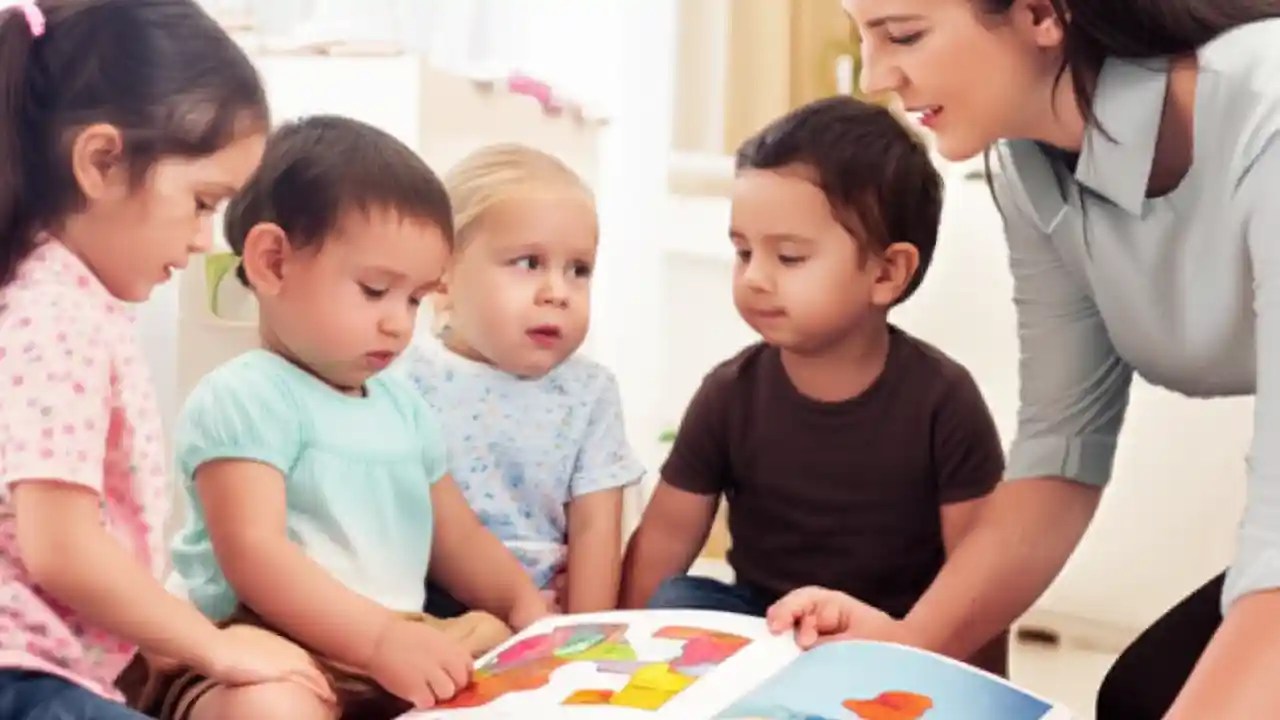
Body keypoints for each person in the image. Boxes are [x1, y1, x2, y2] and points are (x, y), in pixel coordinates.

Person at [767, 2, 1280, 717]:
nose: (877, 75)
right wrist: (903, 649)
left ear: (1042, 13)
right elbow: (1059, 456)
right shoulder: (1030, 164)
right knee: (1138, 694)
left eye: (904, 34)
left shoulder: (1268, 107)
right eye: (864, 37)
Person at [149, 117, 549, 720]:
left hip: (393, 641)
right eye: (374, 290)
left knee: (489, 643)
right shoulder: (245, 396)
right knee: (267, 709)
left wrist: (528, 609)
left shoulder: (403, 406)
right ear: (273, 263)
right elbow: (255, 557)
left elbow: (458, 539)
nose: (398, 322)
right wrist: (379, 642)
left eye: (414, 298)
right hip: (263, 644)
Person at [0, 1, 332, 718]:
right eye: (202, 202)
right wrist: (211, 646)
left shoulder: (62, 295)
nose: (207, 239)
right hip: (20, 677)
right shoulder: (57, 311)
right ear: (100, 161)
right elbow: (59, 546)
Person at [619, 96, 1008, 675]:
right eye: (743, 251)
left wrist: (983, 694)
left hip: (894, 635)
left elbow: (980, 579)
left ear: (886, 272)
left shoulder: (944, 402)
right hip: (765, 624)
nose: (754, 278)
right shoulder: (729, 393)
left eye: (790, 257)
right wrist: (619, 653)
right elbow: (663, 542)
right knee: (681, 601)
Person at [400, 143, 644, 616]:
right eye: (529, 263)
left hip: (544, 612)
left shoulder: (589, 392)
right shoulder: (405, 380)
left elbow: (596, 528)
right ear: (444, 276)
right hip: (426, 606)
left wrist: (581, 637)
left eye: (579, 270)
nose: (557, 293)